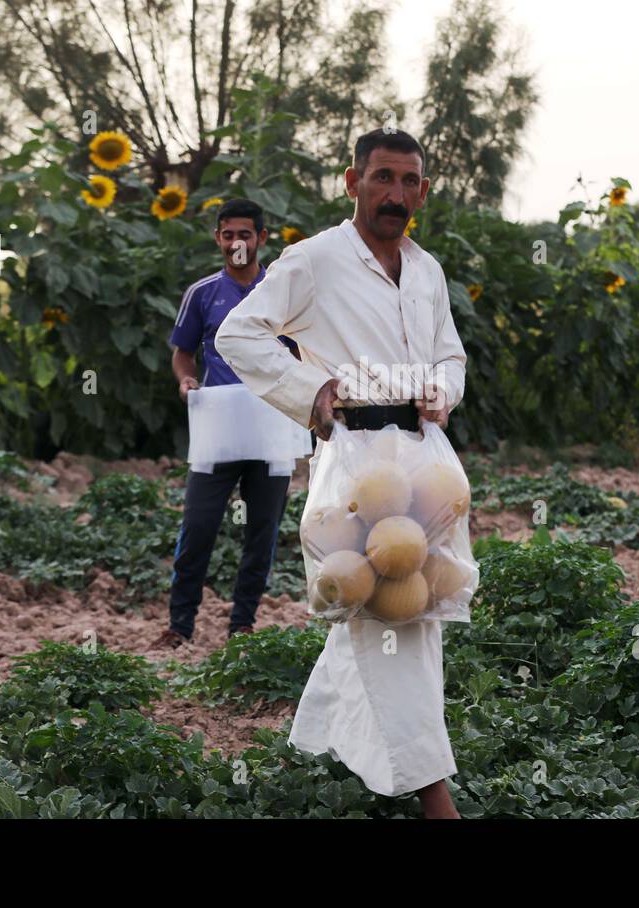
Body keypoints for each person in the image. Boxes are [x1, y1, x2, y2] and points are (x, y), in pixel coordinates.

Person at [215, 129, 467, 818]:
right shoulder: (316, 260)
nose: (396, 194)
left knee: (388, 607)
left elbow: (451, 356)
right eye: (382, 178)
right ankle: (436, 801)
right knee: (399, 610)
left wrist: (445, 391)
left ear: (422, 188)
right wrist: (311, 392)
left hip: (424, 457)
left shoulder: (427, 270)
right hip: (357, 463)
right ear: (352, 182)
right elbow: (238, 333)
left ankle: (313, 748)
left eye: (410, 181)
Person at [156, 198, 300, 651]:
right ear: (218, 238)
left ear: (261, 237)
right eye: (228, 234)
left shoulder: (281, 290)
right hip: (218, 424)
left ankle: (243, 622)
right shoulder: (202, 294)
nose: (237, 242)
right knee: (198, 525)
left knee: (263, 529)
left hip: (272, 423)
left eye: (245, 234)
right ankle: (179, 626)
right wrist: (186, 380)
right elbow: (182, 351)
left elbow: (303, 349)